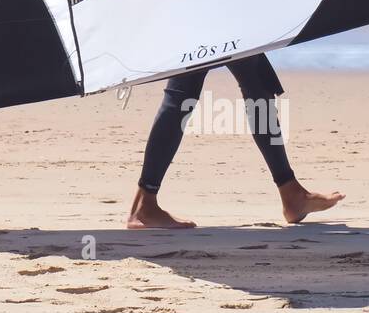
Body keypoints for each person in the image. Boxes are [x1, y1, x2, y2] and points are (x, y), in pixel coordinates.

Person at [128, 54, 344, 228]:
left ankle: (291, 193)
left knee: (256, 83)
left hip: (212, 9)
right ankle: (145, 204)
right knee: (184, 92)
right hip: (210, 10)